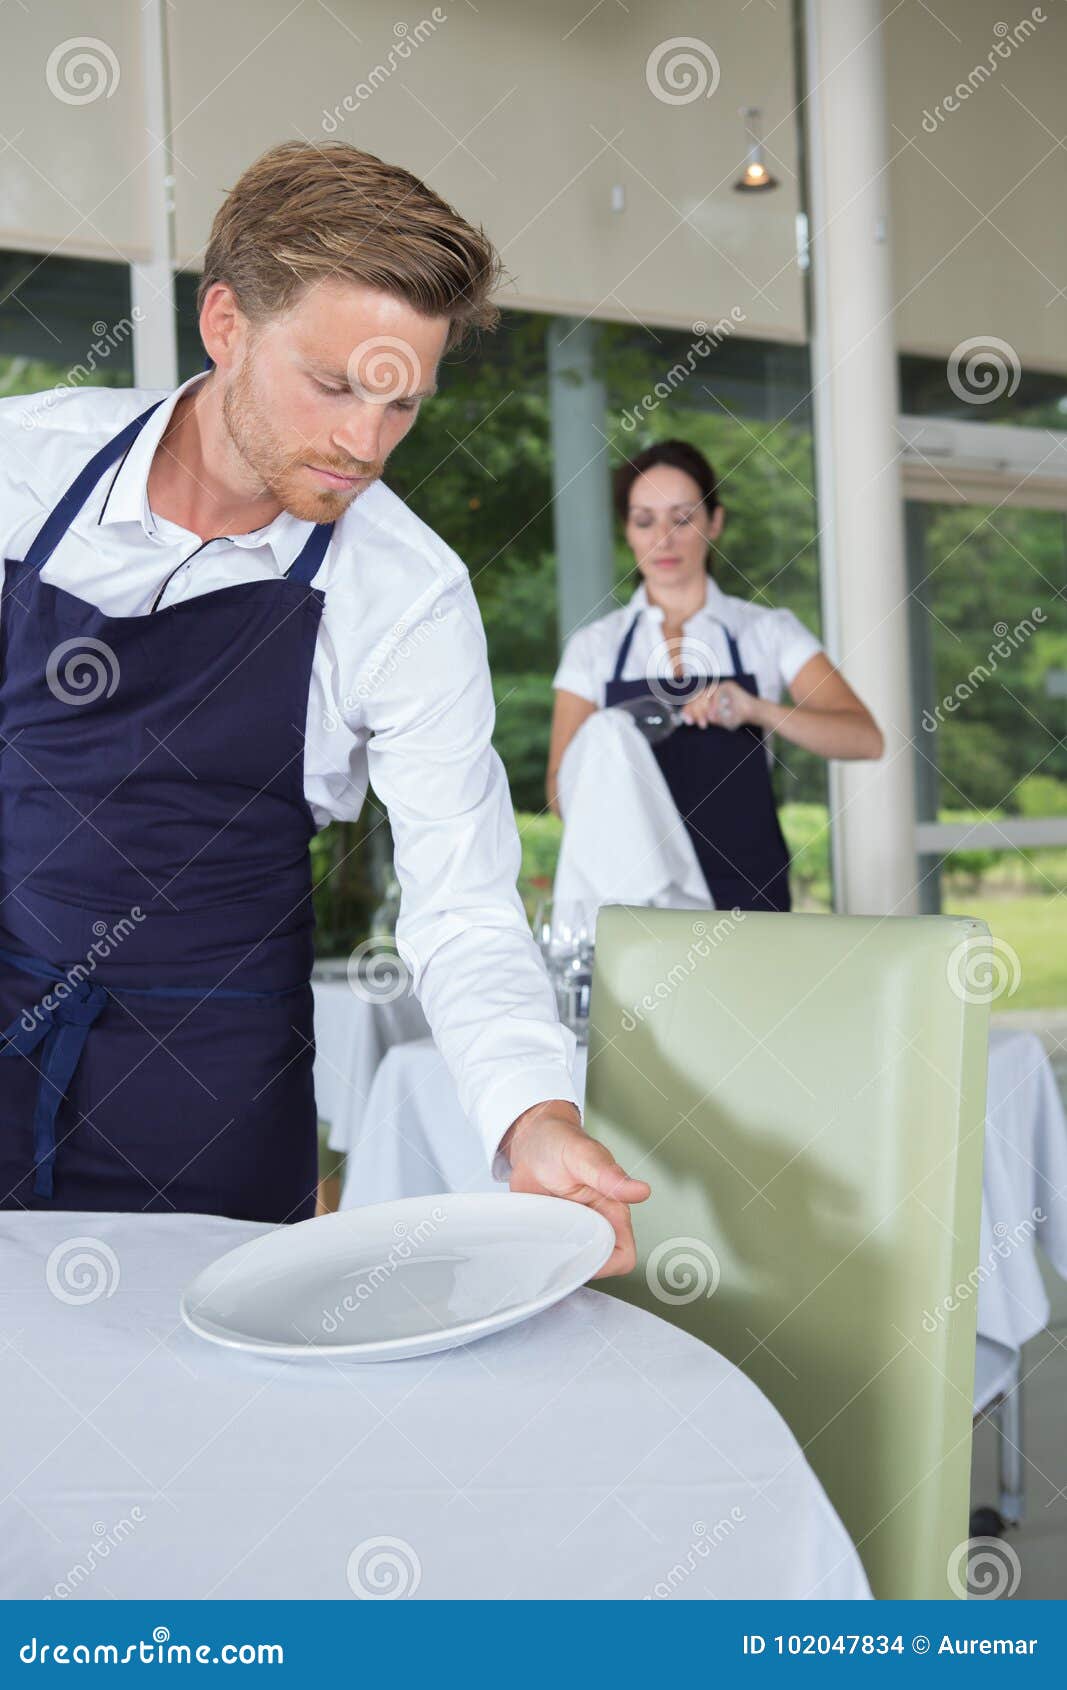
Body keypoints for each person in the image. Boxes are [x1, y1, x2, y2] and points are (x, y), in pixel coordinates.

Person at [0, 140, 648, 1273]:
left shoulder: (407, 594)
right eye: (336, 386)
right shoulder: (21, 470)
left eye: (402, 403)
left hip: (212, 1099)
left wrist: (531, 1116)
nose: (365, 444)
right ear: (226, 324)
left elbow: (460, 904)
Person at [548, 440, 883, 911]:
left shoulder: (768, 631)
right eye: (644, 521)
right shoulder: (595, 647)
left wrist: (758, 710)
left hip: (750, 899)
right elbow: (559, 794)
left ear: (715, 522)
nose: (664, 538)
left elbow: (865, 739)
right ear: (627, 531)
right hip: (638, 910)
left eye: (682, 519)